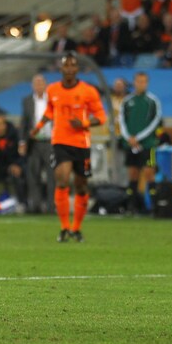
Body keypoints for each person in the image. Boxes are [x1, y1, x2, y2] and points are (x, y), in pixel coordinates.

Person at [30, 52, 107, 242]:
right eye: (66, 65)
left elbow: (101, 117)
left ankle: (76, 228)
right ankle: (64, 227)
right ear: (61, 68)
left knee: (81, 186)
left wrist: (84, 124)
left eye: (73, 65)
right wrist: (38, 127)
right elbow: (50, 110)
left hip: (81, 143)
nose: (70, 69)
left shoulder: (88, 91)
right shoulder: (53, 89)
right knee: (62, 179)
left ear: (77, 68)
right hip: (60, 141)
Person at [118, 72, 162, 214]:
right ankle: (131, 206)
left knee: (149, 173)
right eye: (138, 81)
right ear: (134, 82)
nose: (141, 84)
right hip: (130, 144)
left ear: (147, 83)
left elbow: (155, 122)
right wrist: (128, 138)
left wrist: (139, 137)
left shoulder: (153, 101)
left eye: (144, 81)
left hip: (148, 144)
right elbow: (121, 121)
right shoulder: (127, 101)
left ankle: (154, 207)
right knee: (133, 174)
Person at [19, 73, 54, 214]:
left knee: (52, 176)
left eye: (41, 82)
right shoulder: (27, 101)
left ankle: (52, 207)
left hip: (51, 142)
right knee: (34, 175)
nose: (39, 85)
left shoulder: (52, 99)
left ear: (46, 85)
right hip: (34, 143)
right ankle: (36, 206)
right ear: (32, 86)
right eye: (36, 83)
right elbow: (24, 123)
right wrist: (22, 142)